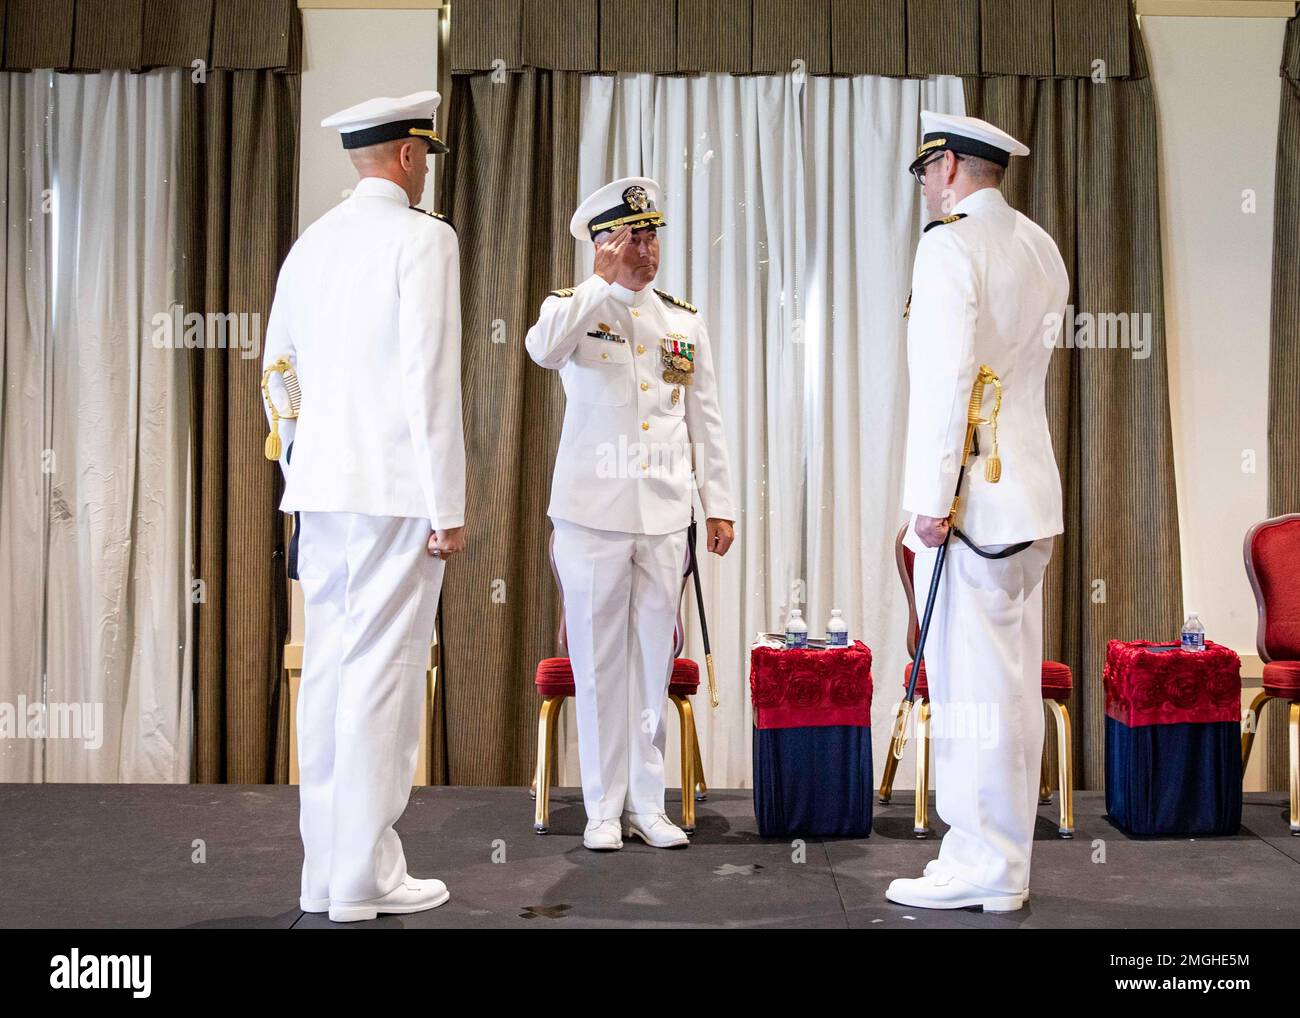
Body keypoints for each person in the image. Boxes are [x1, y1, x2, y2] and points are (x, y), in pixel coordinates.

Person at [261, 90, 466, 922]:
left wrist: (301, 465)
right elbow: (430, 379)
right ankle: (364, 874)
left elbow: (279, 373)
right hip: (394, 494)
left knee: (330, 678)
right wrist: (445, 500)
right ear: (411, 156)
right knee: (383, 677)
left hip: (321, 494)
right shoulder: (425, 240)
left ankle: (323, 871)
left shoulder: (310, 244)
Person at [887, 111, 1068, 912]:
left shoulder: (949, 243)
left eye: (928, 170)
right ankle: (984, 852)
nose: (926, 185)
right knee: (1010, 686)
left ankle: (989, 866)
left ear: (953, 166)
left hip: (973, 503)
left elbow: (946, 381)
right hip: (1028, 496)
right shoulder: (1039, 245)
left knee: (974, 691)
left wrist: (930, 501)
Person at [525, 177, 736, 851]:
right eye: (633, 237)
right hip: (592, 515)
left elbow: (705, 419)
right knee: (596, 663)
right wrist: (595, 284)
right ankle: (600, 806)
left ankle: (650, 803)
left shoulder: (683, 321)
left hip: (664, 516)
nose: (647, 250)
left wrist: (719, 506)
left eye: (652, 237)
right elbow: (542, 349)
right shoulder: (575, 309)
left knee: (652, 660)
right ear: (603, 243)